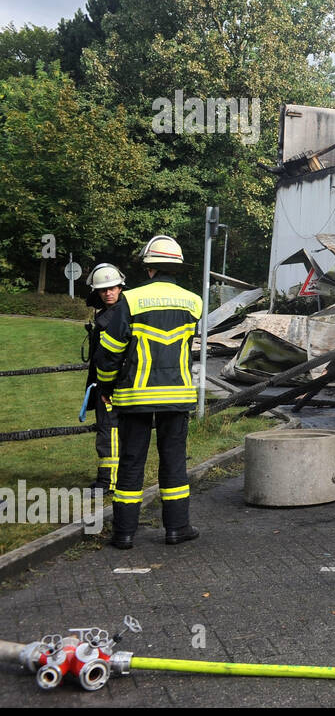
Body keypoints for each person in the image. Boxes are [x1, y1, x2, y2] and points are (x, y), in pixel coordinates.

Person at [95, 235, 203, 549]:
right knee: (174, 462)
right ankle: (177, 528)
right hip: (177, 396)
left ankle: (124, 533)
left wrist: (105, 386)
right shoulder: (193, 301)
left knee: (131, 462)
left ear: (150, 268)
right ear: (176, 267)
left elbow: (111, 351)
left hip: (136, 397)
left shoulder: (132, 299)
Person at [84, 263, 126, 493]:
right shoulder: (112, 313)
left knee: (108, 431)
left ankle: (107, 482)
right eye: (103, 290)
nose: (108, 293)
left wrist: (105, 389)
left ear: (120, 288)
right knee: (113, 431)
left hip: (112, 385)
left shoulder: (115, 317)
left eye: (113, 288)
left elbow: (111, 357)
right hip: (108, 383)